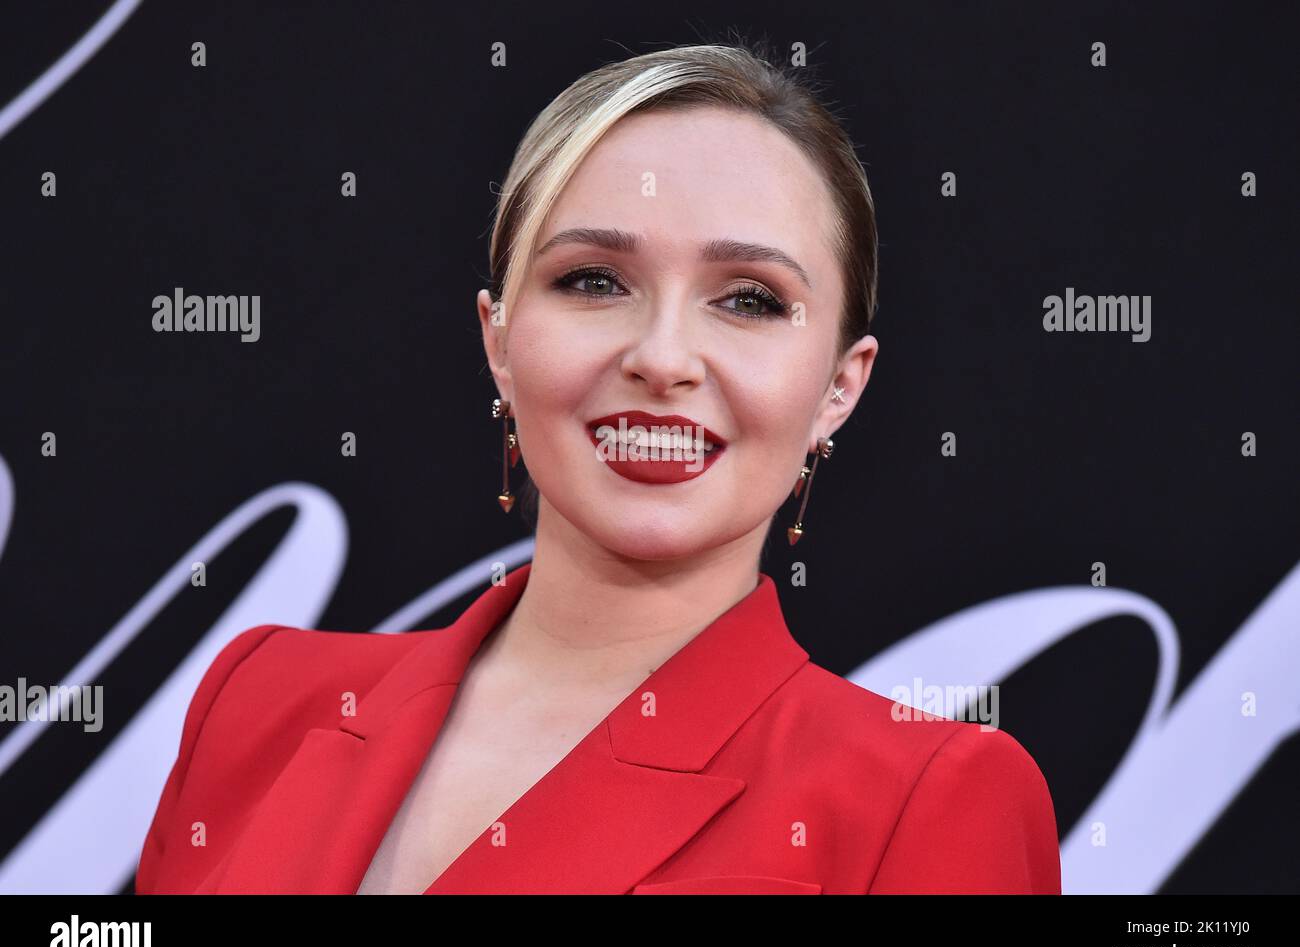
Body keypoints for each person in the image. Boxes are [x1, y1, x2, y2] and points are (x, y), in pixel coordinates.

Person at [135, 40, 1060, 895]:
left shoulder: (932, 798)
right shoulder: (257, 701)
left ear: (838, 388)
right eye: (594, 281)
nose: (663, 358)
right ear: (500, 338)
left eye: (748, 299)